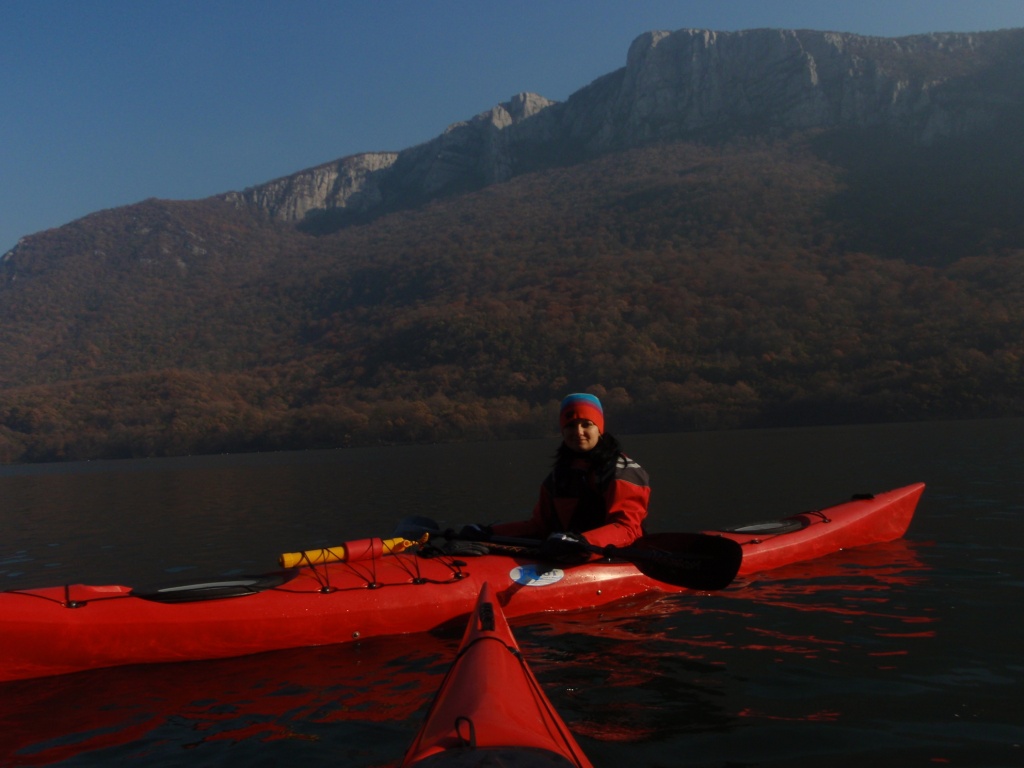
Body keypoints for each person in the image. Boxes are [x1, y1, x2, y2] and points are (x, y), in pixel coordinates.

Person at [466, 393, 650, 557]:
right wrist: (488, 533)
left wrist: (582, 541)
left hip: (614, 557)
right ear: (563, 431)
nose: (578, 432)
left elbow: (628, 529)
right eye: (571, 426)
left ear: (599, 429)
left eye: (586, 425)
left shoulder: (624, 472)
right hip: (567, 554)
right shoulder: (558, 476)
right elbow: (539, 527)